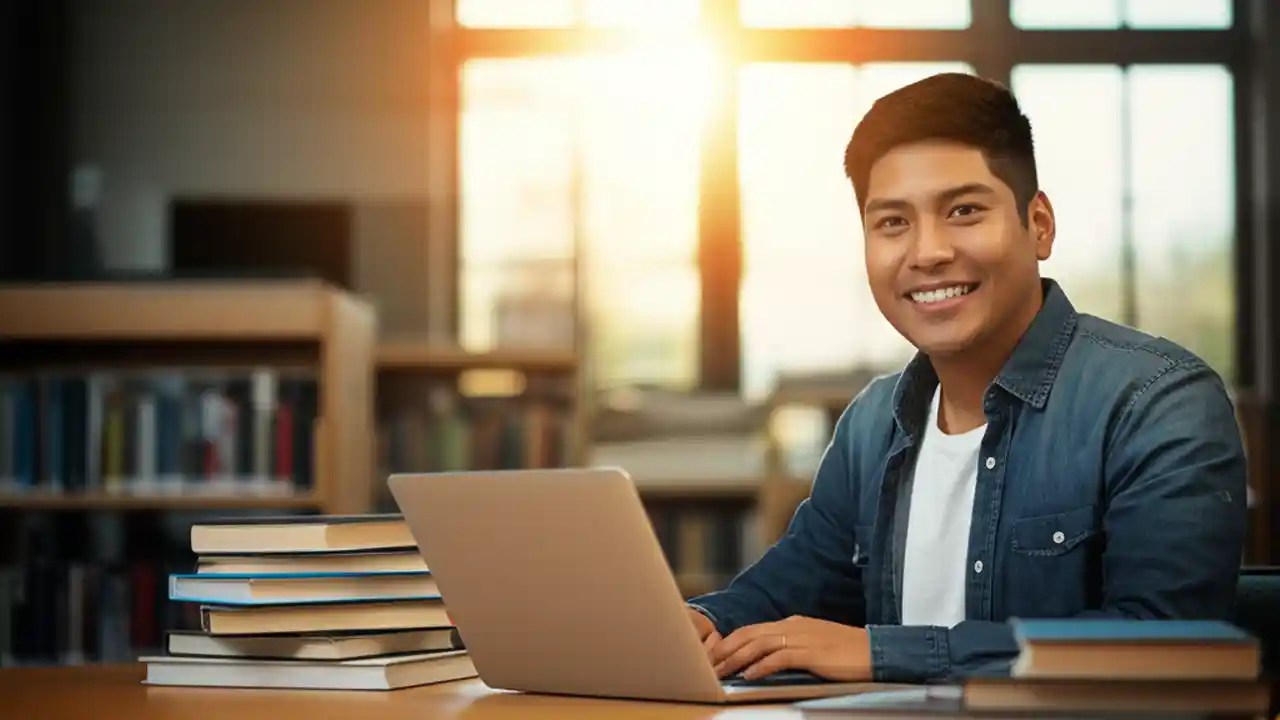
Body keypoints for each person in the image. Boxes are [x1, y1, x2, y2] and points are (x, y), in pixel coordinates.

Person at [685, 72, 1248, 684]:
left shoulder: (1156, 402)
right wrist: (697, 623)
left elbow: (1167, 645)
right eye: (893, 223)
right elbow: (780, 598)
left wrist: (881, 653)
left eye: (964, 211)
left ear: (1039, 225)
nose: (927, 252)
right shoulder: (873, 424)